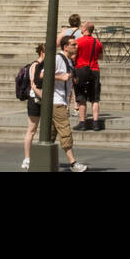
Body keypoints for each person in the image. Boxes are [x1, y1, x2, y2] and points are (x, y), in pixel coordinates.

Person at [49, 36, 88, 172]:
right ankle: (73, 163)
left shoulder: (69, 61)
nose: (77, 46)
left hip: (61, 102)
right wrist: (61, 77)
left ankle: (35, 159)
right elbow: (43, 74)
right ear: (65, 47)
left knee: (50, 135)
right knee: (65, 132)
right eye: (73, 44)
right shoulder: (58, 59)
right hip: (56, 102)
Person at [21, 43, 45, 170]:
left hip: (43, 99)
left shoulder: (47, 65)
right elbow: (33, 84)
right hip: (35, 99)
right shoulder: (35, 65)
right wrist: (43, 97)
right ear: (42, 52)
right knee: (31, 129)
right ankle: (27, 158)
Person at [74, 22, 103, 131]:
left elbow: (73, 56)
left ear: (85, 29)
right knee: (95, 98)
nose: (81, 27)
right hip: (94, 70)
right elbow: (100, 57)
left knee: (82, 98)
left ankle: (82, 123)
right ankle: (95, 123)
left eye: (82, 26)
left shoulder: (78, 42)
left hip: (81, 70)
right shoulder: (98, 42)